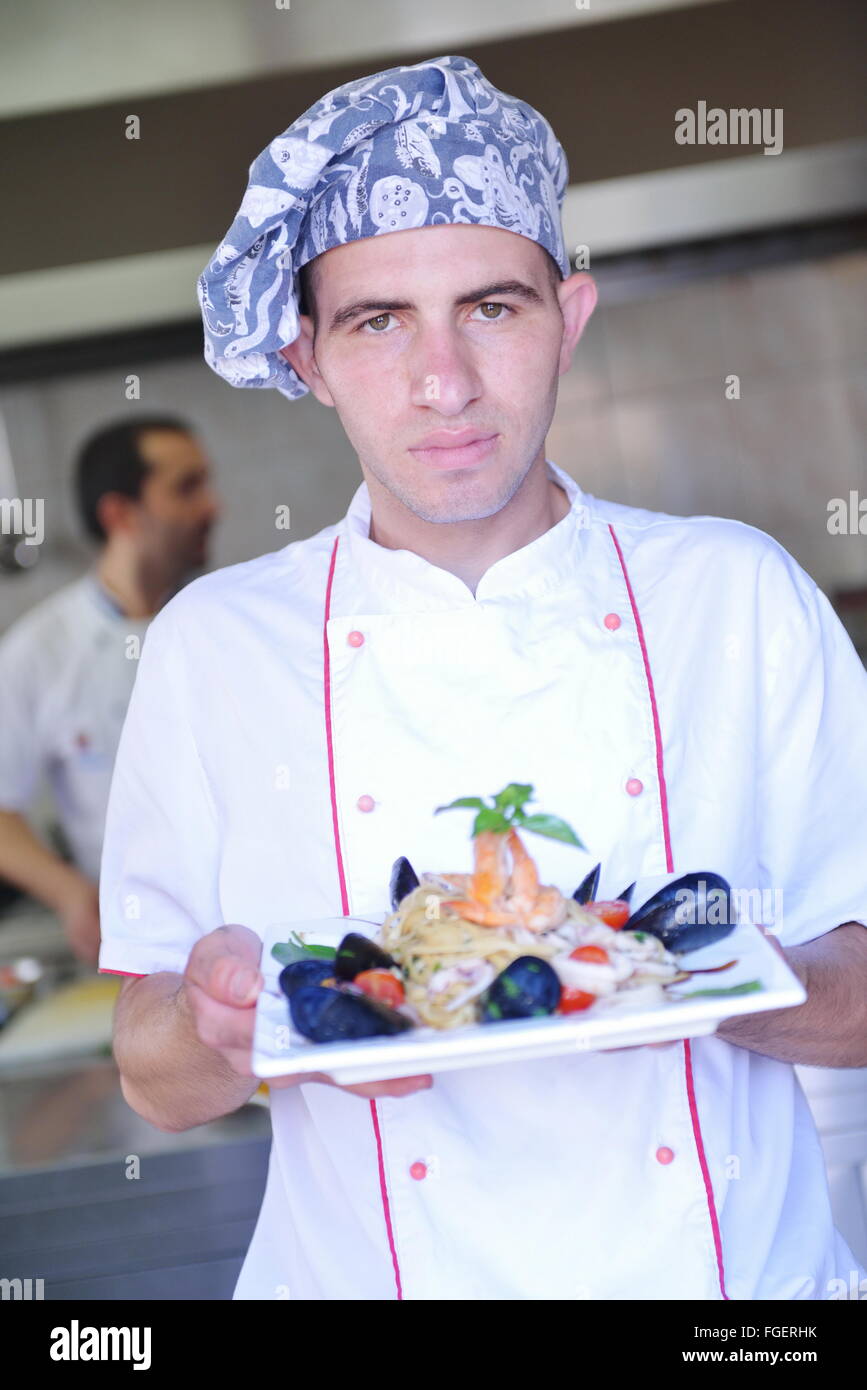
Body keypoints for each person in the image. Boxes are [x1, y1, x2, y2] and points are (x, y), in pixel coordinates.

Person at [99, 55, 867, 1300]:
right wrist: (215, 1018)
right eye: (379, 320)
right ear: (308, 356)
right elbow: (151, 1073)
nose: (443, 381)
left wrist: (673, 976)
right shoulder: (215, 644)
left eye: (492, 309)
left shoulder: (737, 594)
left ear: (569, 317)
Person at [0, 416, 221, 963]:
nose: (212, 505)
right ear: (120, 513)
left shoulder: (224, 621)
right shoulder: (41, 650)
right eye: (186, 487)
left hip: (254, 919)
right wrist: (70, 892)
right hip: (137, 945)